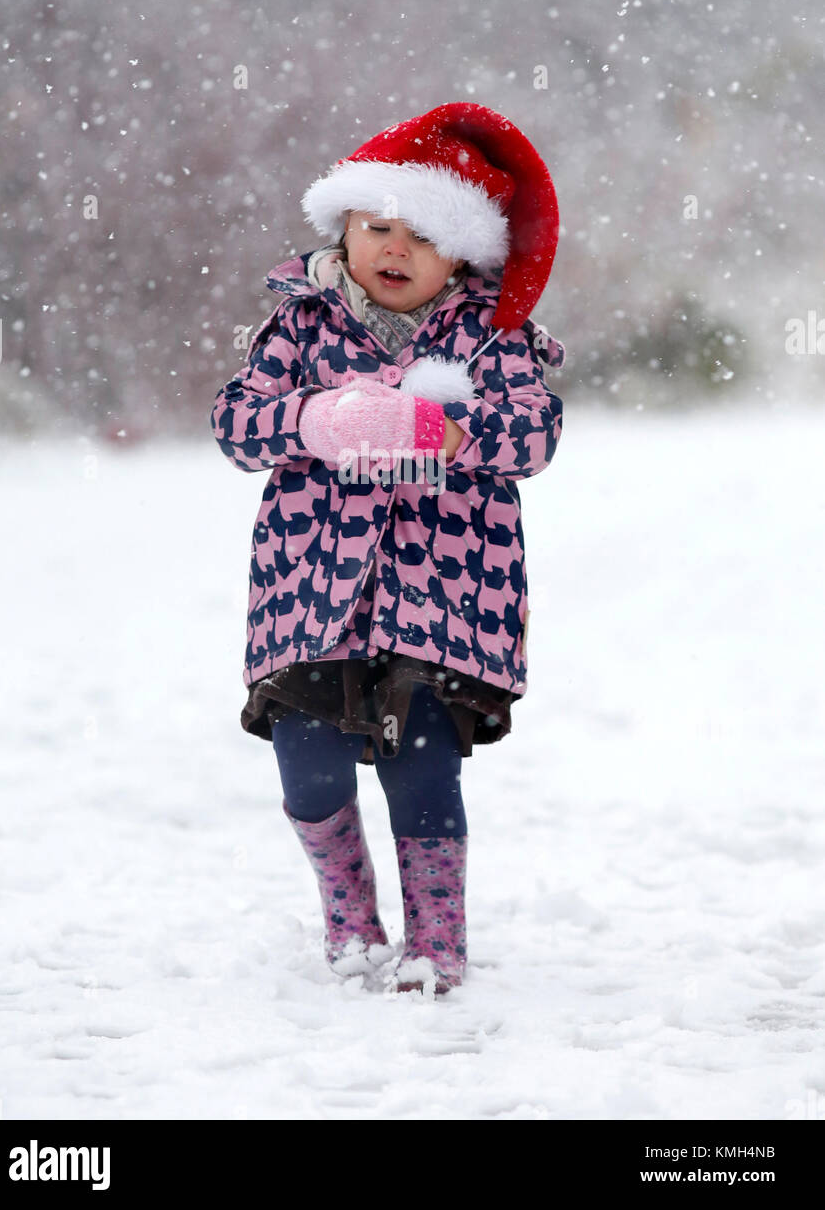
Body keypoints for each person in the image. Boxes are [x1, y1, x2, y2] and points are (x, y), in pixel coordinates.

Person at [210, 101, 565, 997]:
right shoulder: (300, 323)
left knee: (422, 761)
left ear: (461, 255)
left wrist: (446, 430)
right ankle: (351, 917)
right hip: (311, 583)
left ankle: (437, 939)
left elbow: (534, 434)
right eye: (377, 227)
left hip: (445, 586)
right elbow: (236, 424)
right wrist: (312, 419)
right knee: (308, 762)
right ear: (346, 227)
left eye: (421, 235)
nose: (394, 249)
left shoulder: (491, 333)